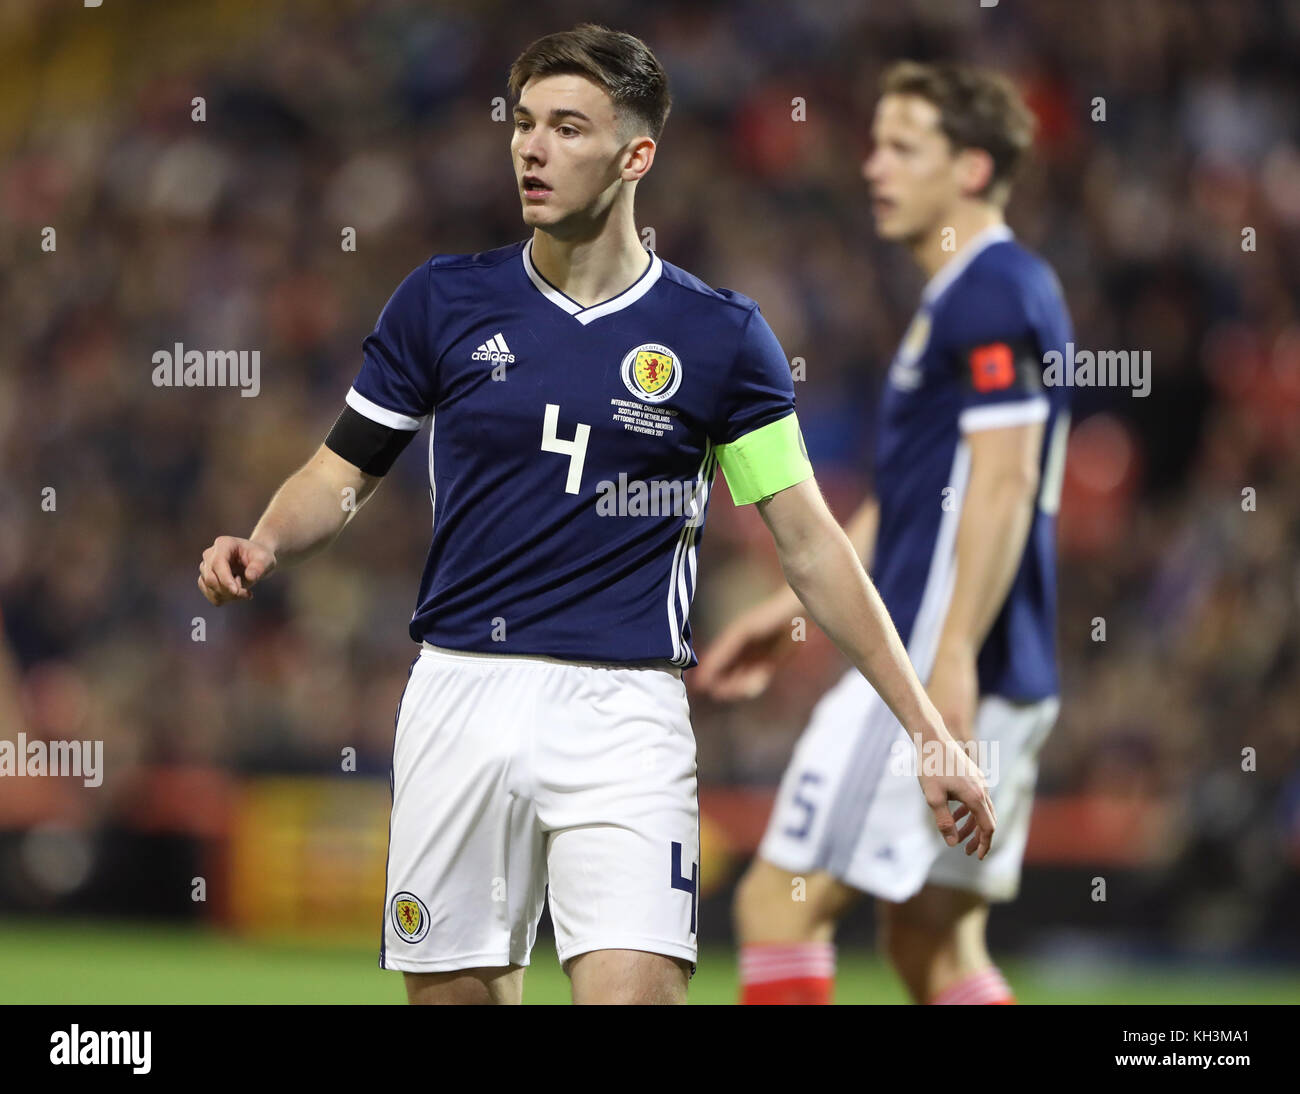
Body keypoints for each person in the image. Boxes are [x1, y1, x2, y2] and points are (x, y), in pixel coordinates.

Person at [198, 28, 992, 1006]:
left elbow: (812, 545)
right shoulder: (443, 300)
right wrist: (266, 538)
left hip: (625, 711)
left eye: (566, 127)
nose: (531, 148)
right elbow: (341, 472)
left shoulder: (720, 338)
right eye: (523, 124)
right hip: (460, 691)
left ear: (635, 156)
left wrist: (924, 729)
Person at [699, 61, 1071, 1006]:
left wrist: (945, 669)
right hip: (1001, 669)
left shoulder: (991, 293)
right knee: (930, 947)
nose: (874, 167)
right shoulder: (970, 299)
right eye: (874, 144)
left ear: (974, 170)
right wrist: (789, 612)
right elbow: (914, 500)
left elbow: (1006, 481)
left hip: (928, 672)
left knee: (777, 912)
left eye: (904, 147)